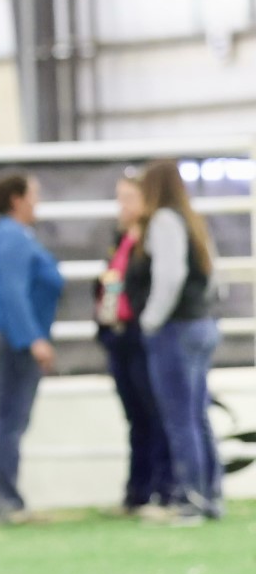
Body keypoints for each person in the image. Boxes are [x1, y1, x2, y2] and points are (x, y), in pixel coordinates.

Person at [0, 173, 63, 523]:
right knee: (10, 419)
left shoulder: (13, 235)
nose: (38, 200)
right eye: (34, 194)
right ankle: (5, 503)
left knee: (10, 419)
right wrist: (33, 339)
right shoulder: (12, 236)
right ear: (17, 200)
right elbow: (12, 292)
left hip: (6, 334)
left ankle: (6, 500)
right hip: (8, 336)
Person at [132, 159, 221, 523]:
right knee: (197, 415)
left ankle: (192, 499)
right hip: (201, 322)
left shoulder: (165, 221)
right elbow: (215, 276)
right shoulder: (192, 220)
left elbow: (170, 276)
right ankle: (210, 494)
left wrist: (150, 319)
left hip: (177, 328)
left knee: (180, 418)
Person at [94, 172, 174, 515]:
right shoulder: (120, 240)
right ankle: (137, 492)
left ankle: (162, 489)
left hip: (141, 336)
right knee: (137, 417)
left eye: (128, 198)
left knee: (155, 414)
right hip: (120, 336)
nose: (122, 206)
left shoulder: (153, 239)